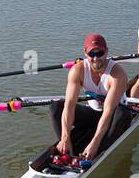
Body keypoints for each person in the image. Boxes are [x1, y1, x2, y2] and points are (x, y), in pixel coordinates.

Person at [50, 33, 131, 163]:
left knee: (123, 113)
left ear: (107, 52)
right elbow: (69, 106)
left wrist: (95, 143)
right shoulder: (77, 70)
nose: (95, 58)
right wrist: (65, 136)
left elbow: (108, 112)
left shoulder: (117, 75)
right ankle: (66, 148)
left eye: (100, 53)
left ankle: (95, 153)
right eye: (91, 54)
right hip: (93, 115)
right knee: (56, 105)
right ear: (85, 53)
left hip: (112, 118)